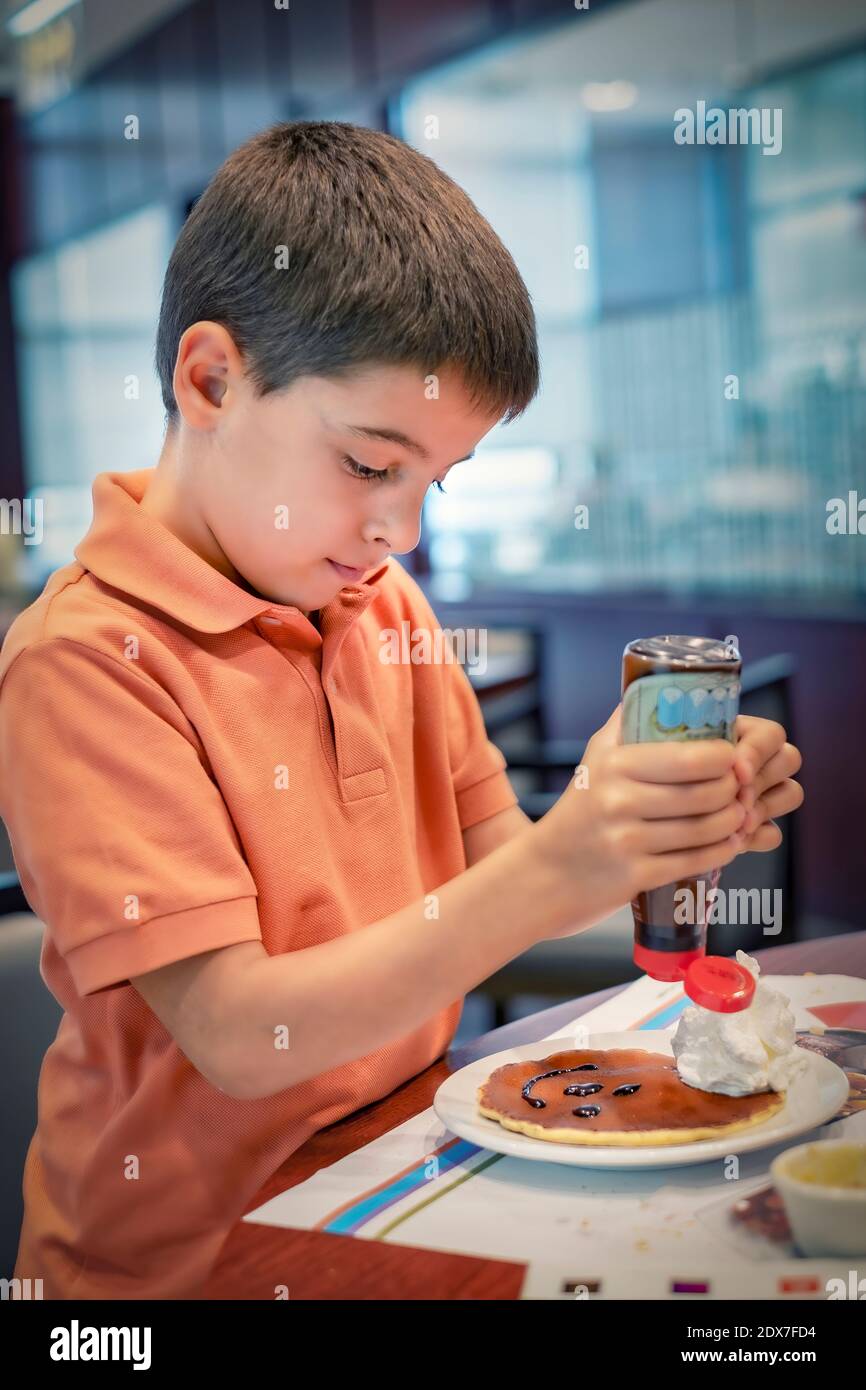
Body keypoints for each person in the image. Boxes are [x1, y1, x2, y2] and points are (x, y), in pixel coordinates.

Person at [0, 122, 804, 1299]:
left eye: (435, 482)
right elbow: (235, 1034)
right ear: (211, 379)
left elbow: (504, 884)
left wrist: (637, 830)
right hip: (185, 1268)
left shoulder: (383, 606)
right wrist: (548, 872)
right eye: (372, 466)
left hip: (400, 1171)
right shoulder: (86, 660)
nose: (400, 532)